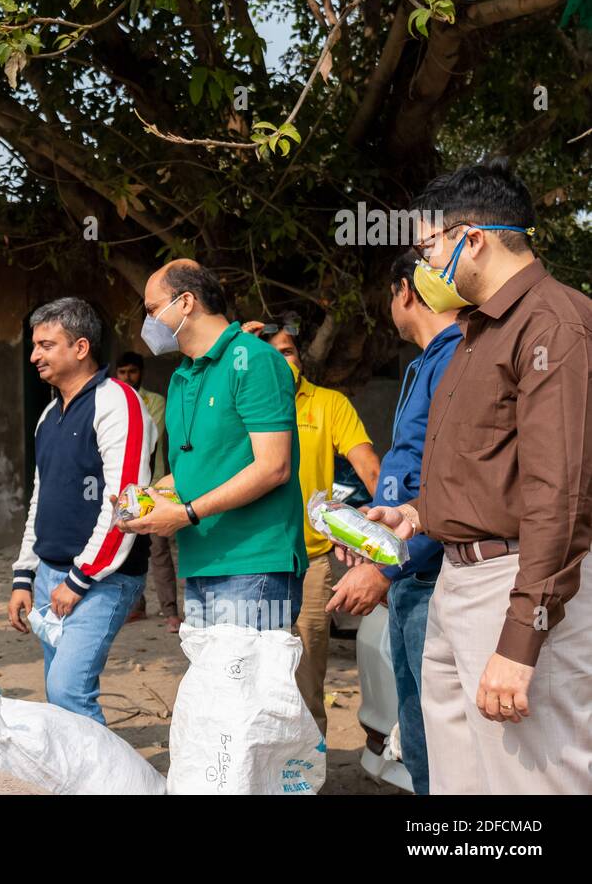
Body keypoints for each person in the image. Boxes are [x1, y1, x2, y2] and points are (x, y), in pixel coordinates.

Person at [353, 164, 592, 793]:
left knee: (532, 782)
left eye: (428, 247)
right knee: (463, 783)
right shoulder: (474, 334)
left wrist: (522, 638)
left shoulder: (554, 325)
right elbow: (486, 467)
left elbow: (560, 494)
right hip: (454, 584)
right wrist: (417, 516)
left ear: (473, 237)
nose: (424, 265)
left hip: (513, 583)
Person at [326, 250, 462, 794]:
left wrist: (385, 568)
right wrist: (373, 532)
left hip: (433, 573)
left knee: (441, 746)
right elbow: (410, 476)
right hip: (409, 570)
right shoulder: (424, 362)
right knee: (419, 738)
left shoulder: (458, 359)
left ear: (405, 290)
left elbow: (454, 485)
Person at [118, 260, 308, 637]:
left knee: (248, 693)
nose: (149, 322)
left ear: (185, 302)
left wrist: (186, 513)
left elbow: (274, 467)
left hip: (254, 563)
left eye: (153, 309)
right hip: (201, 562)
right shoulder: (182, 376)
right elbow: (196, 468)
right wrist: (151, 497)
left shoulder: (254, 359)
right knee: (215, 694)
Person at [7, 299, 157, 724]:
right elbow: (41, 499)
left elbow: (129, 502)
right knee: (61, 701)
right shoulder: (50, 414)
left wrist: (80, 578)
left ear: (80, 347)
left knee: (68, 690)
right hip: (51, 577)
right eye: (34, 345)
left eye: (45, 345)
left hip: (102, 579)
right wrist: (24, 574)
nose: (34, 355)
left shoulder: (118, 403)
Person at [242, 317, 381, 738]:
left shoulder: (328, 404)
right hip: (246, 565)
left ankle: (306, 777)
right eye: (269, 353)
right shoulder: (237, 402)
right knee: (249, 679)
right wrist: (234, 362)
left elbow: (371, 470)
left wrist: (386, 537)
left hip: (309, 563)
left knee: (305, 681)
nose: (280, 360)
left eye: (286, 350)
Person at [114, 351, 180, 632]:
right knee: (127, 547)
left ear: (141, 373)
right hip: (123, 485)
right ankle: (136, 605)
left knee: (159, 550)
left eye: (132, 372)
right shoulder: (112, 401)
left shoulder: (154, 401)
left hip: (153, 485)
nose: (128, 377)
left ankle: (171, 611)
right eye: (123, 372)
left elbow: (145, 435)